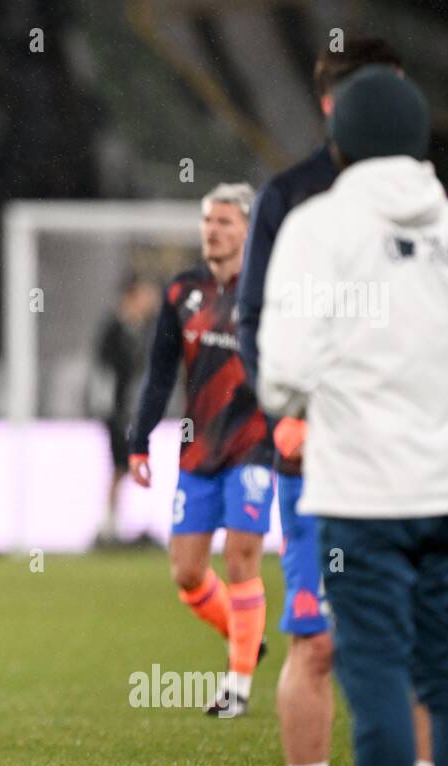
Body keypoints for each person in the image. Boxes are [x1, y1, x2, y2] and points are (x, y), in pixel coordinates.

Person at [258, 67, 448, 766]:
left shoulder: (318, 227)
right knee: (445, 672)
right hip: (444, 493)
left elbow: (279, 376)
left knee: (370, 674)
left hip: (359, 495)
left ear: (342, 143)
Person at [128, 183, 272, 718]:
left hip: (253, 447)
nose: (213, 230)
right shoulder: (181, 292)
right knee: (188, 572)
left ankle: (236, 686)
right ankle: (245, 636)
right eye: (208, 220)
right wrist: (138, 439)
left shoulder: (268, 292)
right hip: (197, 452)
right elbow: (161, 372)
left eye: (226, 222)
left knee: (240, 559)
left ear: (248, 230)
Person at [92, 275, 159, 547]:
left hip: (129, 411)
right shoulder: (113, 330)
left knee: (123, 465)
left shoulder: (141, 330)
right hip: (115, 412)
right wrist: (109, 411)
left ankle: (113, 523)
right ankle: (108, 526)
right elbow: (103, 373)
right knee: (121, 464)